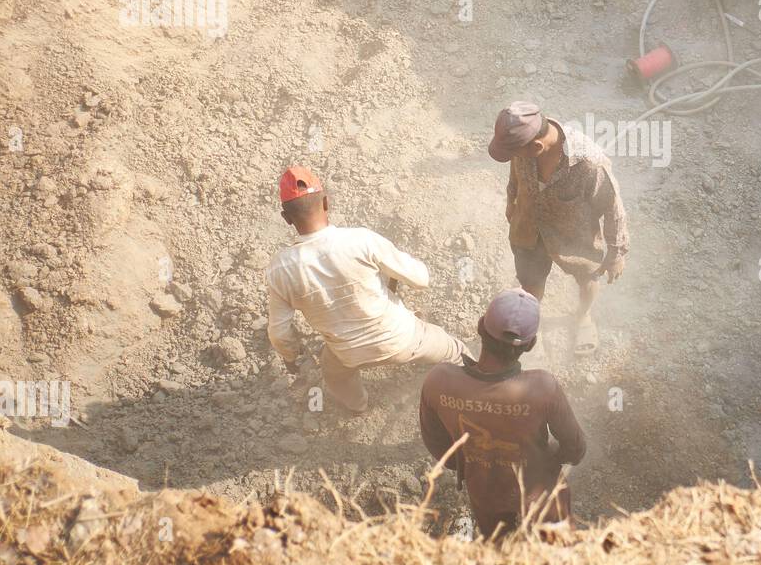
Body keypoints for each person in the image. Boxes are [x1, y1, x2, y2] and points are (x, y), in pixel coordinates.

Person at [265, 166, 466, 414]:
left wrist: (291, 356)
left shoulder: (279, 270)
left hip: (348, 354)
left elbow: (279, 333)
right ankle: (478, 387)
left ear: (286, 218)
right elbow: (421, 278)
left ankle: (357, 406)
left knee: (334, 375)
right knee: (456, 351)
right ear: (326, 202)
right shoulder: (361, 240)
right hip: (402, 339)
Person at [419, 288, 586, 539]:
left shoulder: (438, 381)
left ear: (479, 327)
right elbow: (575, 449)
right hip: (540, 493)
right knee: (558, 552)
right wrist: (551, 458)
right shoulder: (542, 387)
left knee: (497, 546)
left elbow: (440, 448)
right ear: (531, 344)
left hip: (484, 491)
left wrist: (473, 461)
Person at [489, 102, 628, 354]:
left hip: (575, 236)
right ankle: (533, 326)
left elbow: (612, 206)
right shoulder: (524, 146)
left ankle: (582, 316)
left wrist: (616, 252)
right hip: (529, 228)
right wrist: (511, 202)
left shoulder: (589, 165)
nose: (514, 158)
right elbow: (514, 174)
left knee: (587, 278)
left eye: (517, 153)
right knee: (530, 285)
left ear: (537, 147)